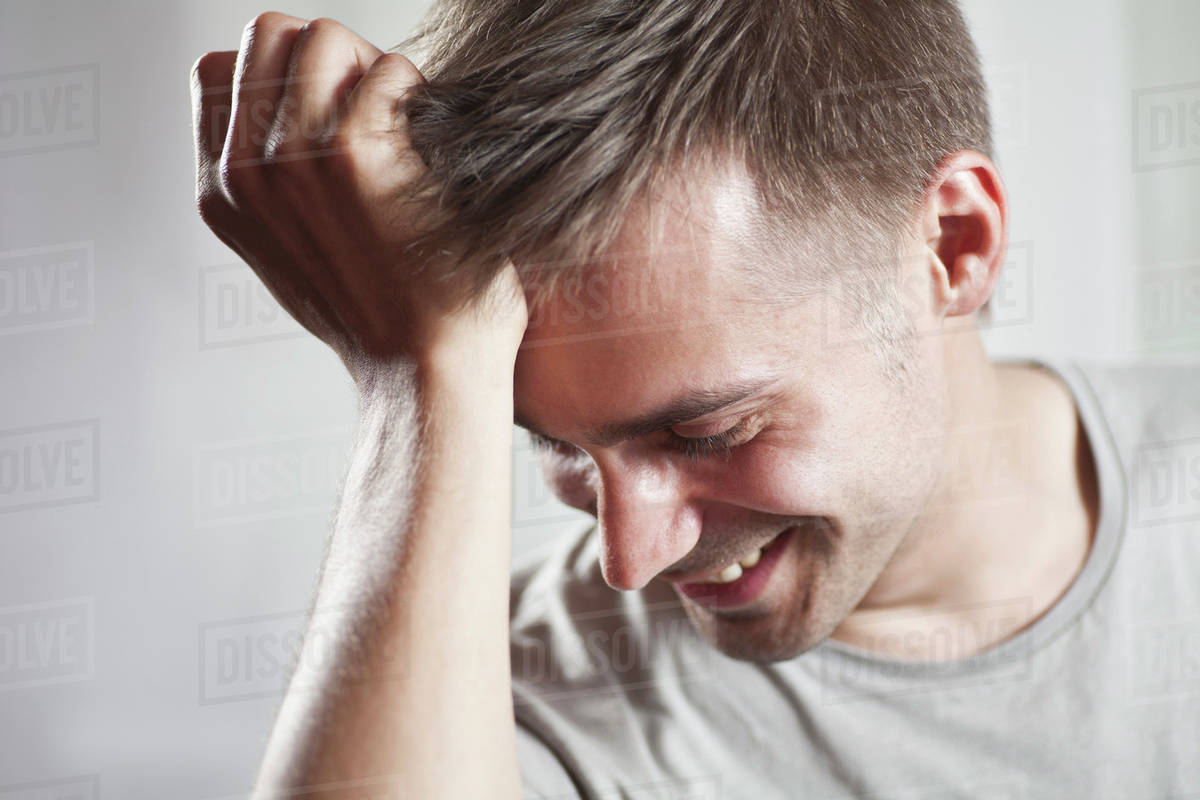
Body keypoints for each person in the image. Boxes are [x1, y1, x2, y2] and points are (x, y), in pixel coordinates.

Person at [190, 1, 1200, 797]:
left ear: (953, 245)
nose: (634, 557)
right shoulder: (499, 705)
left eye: (705, 430)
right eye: (565, 449)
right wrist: (419, 373)